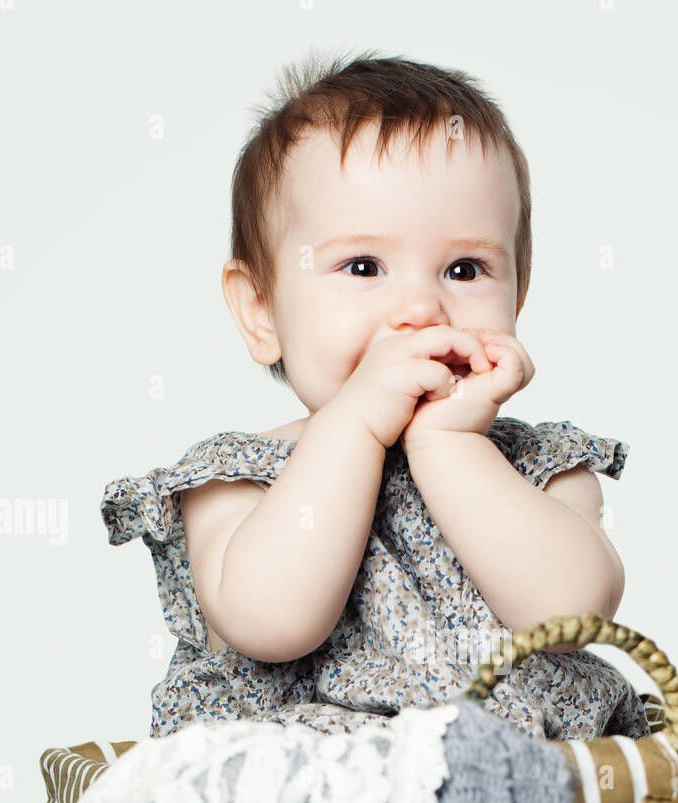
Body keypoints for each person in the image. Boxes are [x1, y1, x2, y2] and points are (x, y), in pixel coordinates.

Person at [100, 47, 650, 743]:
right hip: (317, 788)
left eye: (465, 267)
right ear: (261, 310)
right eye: (363, 266)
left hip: (532, 779)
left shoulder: (538, 466)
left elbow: (571, 614)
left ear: (518, 295)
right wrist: (355, 425)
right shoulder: (236, 478)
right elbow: (272, 621)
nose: (420, 307)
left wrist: (448, 446)